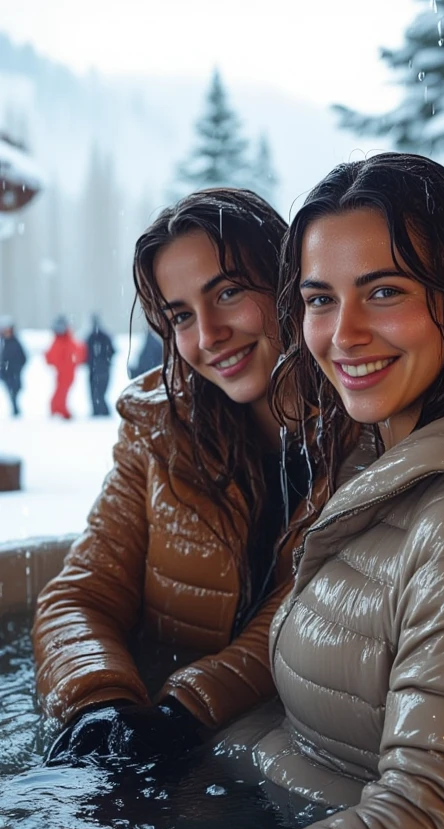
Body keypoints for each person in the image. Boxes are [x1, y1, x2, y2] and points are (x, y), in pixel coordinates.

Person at [113, 154, 444, 829]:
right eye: (321, 300)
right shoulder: (376, 463)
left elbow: (427, 821)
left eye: (385, 291)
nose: (344, 334)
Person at [33, 187, 318, 766]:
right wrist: (100, 705)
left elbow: (301, 610)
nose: (208, 335)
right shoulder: (160, 430)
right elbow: (80, 597)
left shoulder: (362, 438)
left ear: (288, 283)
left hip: (281, 744)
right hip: (155, 716)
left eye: (228, 293)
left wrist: (182, 711)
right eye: (181, 315)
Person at [45, 315, 86, 419]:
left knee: (62, 392)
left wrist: (72, 362)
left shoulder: (69, 340)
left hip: (68, 372)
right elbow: (50, 356)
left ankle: (61, 410)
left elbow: (79, 354)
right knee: (60, 392)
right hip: (61, 372)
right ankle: (58, 410)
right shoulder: (58, 340)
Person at [86, 313, 115, 416]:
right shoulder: (99, 337)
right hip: (99, 370)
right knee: (98, 393)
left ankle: (101, 412)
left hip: (98, 370)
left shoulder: (92, 337)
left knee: (97, 393)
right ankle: (99, 412)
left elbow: (112, 352)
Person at [0, 315, 26, 416]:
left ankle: (15, 408)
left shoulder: (15, 342)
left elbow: (23, 357)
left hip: (15, 372)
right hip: (5, 373)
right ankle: (15, 409)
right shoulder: (2, 343)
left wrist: (19, 367)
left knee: (16, 389)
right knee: (11, 391)